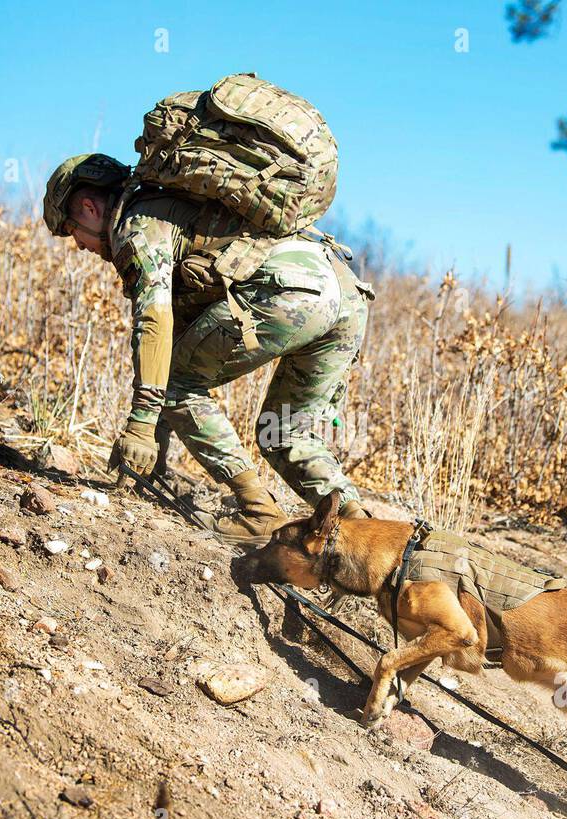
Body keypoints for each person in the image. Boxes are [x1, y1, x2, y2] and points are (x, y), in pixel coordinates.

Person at [43, 153, 373, 544]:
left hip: (291, 292)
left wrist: (141, 426)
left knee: (175, 381)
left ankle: (258, 511)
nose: (80, 246)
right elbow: (175, 337)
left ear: (88, 206)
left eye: (71, 231)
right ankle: (362, 532)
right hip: (346, 292)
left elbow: (155, 323)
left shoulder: (137, 225)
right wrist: (152, 456)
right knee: (282, 433)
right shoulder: (184, 212)